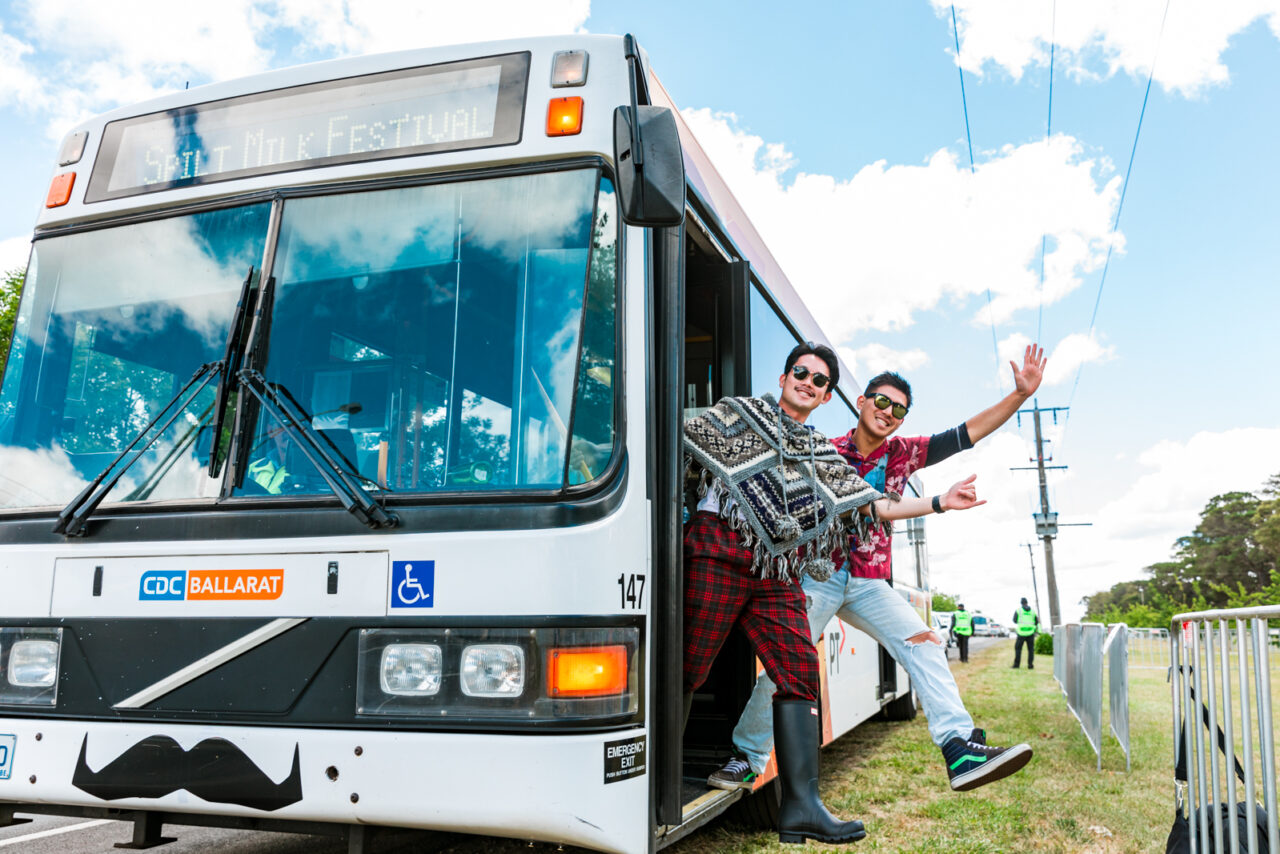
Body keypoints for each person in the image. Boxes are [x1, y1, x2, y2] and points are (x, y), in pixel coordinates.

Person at [683, 342, 986, 845]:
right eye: (801, 372)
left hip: (785, 567)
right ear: (784, 378)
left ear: (827, 396)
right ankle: (675, 776)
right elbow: (686, 440)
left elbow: (874, 506)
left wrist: (937, 501)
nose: (808, 381)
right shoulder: (741, 414)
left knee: (801, 669)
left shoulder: (820, 455)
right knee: (691, 665)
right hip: (729, 549)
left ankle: (803, 806)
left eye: (820, 380)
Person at [708, 344, 1046, 796]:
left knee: (927, 643)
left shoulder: (906, 453)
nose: (889, 413)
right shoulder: (823, 452)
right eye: (882, 401)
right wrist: (939, 502)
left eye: (899, 410)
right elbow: (866, 507)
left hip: (870, 582)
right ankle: (747, 759)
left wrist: (1018, 396)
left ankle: (959, 748)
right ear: (862, 402)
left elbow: (968, 433)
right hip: (819, 577)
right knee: (782, 666)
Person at [1012, 597, 1041, 669]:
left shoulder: (1018, 611)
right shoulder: (1033, 612)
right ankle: (1030, 665)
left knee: (1018, 649)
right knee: (1031, 649)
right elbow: (1036, 622)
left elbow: (1014, 620)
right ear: (1027, 602)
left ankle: (1016, 665)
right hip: (1031, 633)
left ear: (1021, 603)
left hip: (1021, 633)